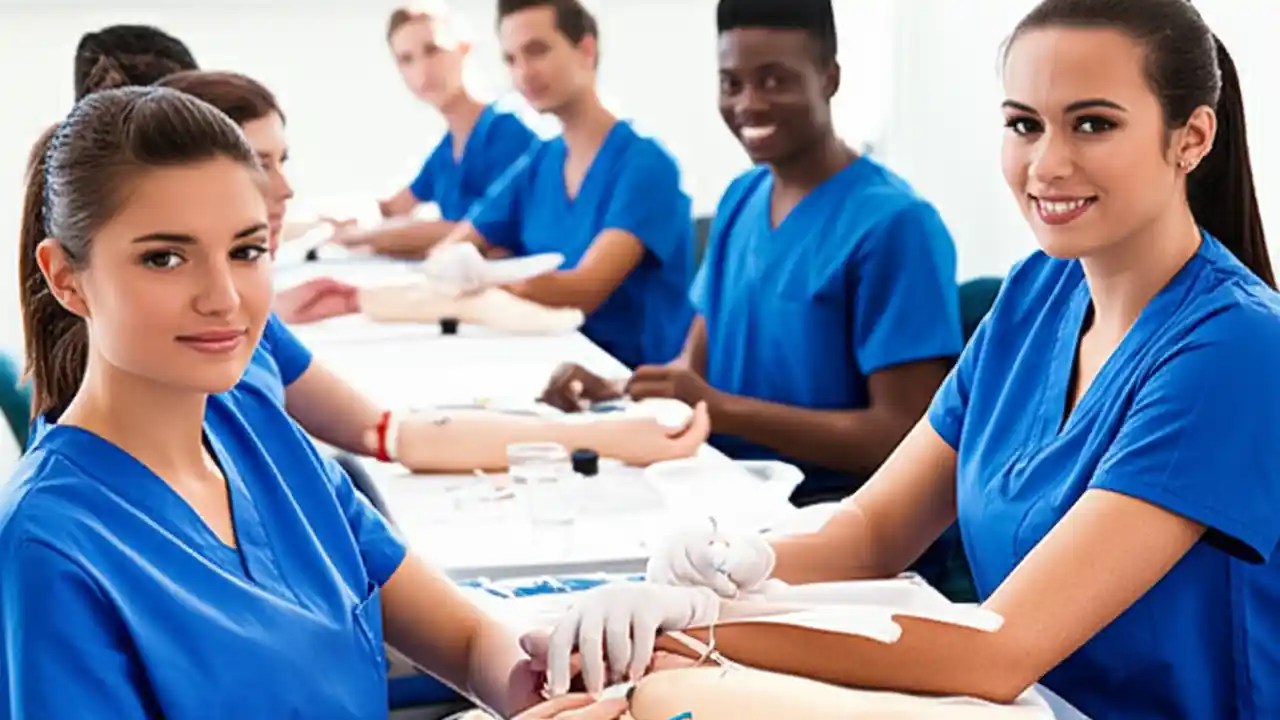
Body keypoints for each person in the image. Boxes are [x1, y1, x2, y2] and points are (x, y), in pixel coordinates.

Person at [535, 1, 1280, 717]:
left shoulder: (1235, 349)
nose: (1046, 163)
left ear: (1192, 137)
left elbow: (998, 650)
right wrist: (734, 568)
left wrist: (699, 631)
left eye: (1092, 124)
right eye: (1024, 125)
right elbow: (872, 529)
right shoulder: (1035, 295)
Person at [1, 84, 649, 720]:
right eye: (166, 258)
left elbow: (470, 641)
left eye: (247, 250)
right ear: (66, 279)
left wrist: (551, 682)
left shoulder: (260, 434)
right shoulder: (51, 547)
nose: (223, 296)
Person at [64, 68, 708, 475]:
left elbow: (391, 433)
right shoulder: (74, 520)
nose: (284, 189)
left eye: (283, 159)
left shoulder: (251, 341)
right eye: (164, 258)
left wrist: (602, 435)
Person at [541, 0, 961, 506]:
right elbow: (692, 369)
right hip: (720, 490)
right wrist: (616, 389)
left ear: (829, 78)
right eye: (731, 83)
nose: (748, 104)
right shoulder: (742, 197)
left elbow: (902, 437)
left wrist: (723, 410)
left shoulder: (895, 224)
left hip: (836, 521)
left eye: (774, 80)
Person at [429, 0, 696, 370]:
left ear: (586, 49)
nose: (523, 72)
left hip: (628, 384)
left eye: (537, 51)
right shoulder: (541, 161)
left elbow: (582, 291)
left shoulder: (647, 166)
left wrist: (483, 278)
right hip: (547, 364)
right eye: (510, 59)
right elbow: (448, 252)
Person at [335, 2, 539, 257]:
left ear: (464, 49)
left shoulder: (508, 130)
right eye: (406, 59)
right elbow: (391, 208)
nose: (423, 70)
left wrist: (364, 236)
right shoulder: (445, 152)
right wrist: (332, 221)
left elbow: (483, 233)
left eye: (433, 50)